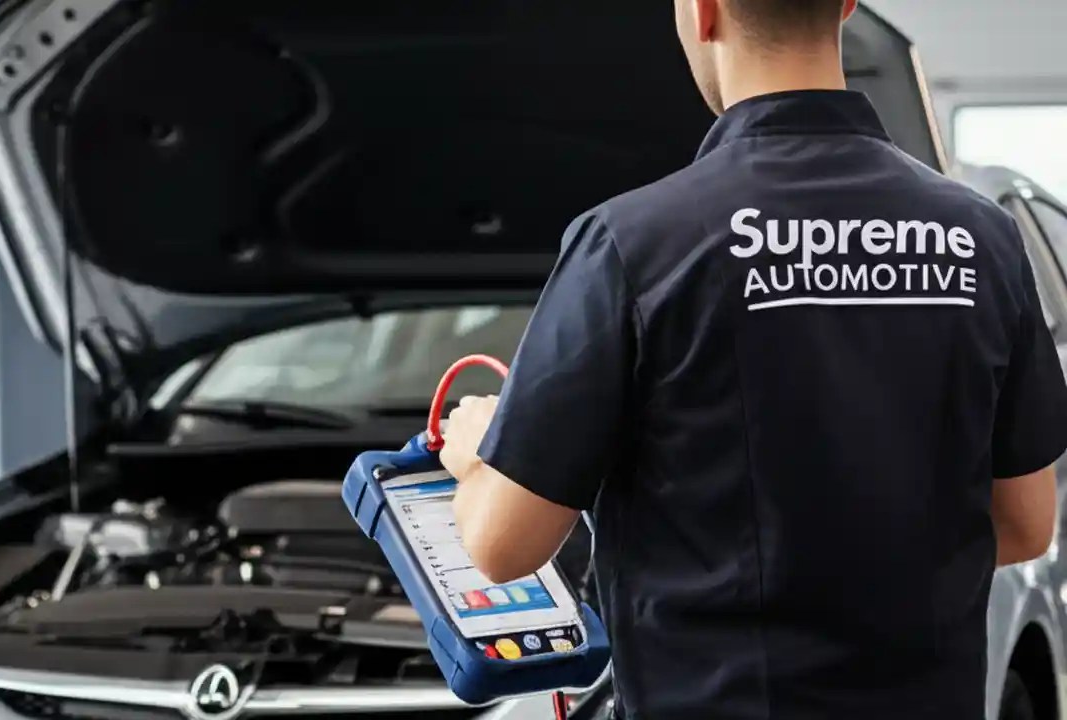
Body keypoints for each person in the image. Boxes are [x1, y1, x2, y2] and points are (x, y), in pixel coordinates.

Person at [438, 1, 1067, 718]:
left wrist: (475, 460)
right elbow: (1023, 527)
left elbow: (500, 547)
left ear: (703, 12)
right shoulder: (980, 237)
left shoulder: (633, 241)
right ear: (847, 5)